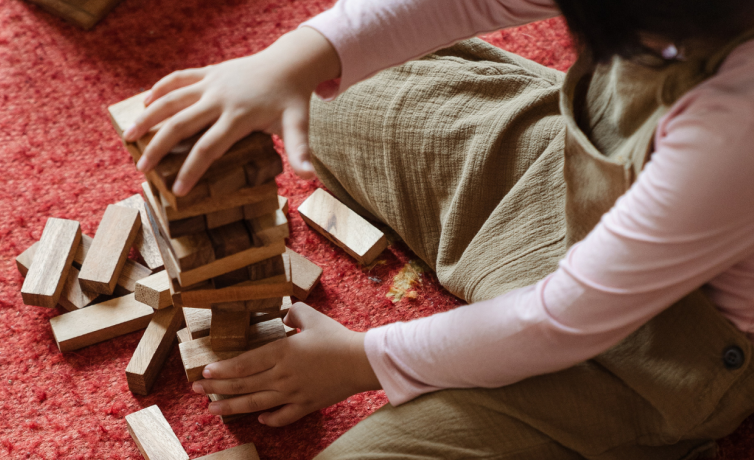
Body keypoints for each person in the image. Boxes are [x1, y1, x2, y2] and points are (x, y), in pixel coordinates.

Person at [123, 0, 754, 458]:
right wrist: (288, 62)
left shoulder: (737, 128)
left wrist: (360, 360)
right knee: (326, 92)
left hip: (655, 347)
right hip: (576, 183)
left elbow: (561, 319)